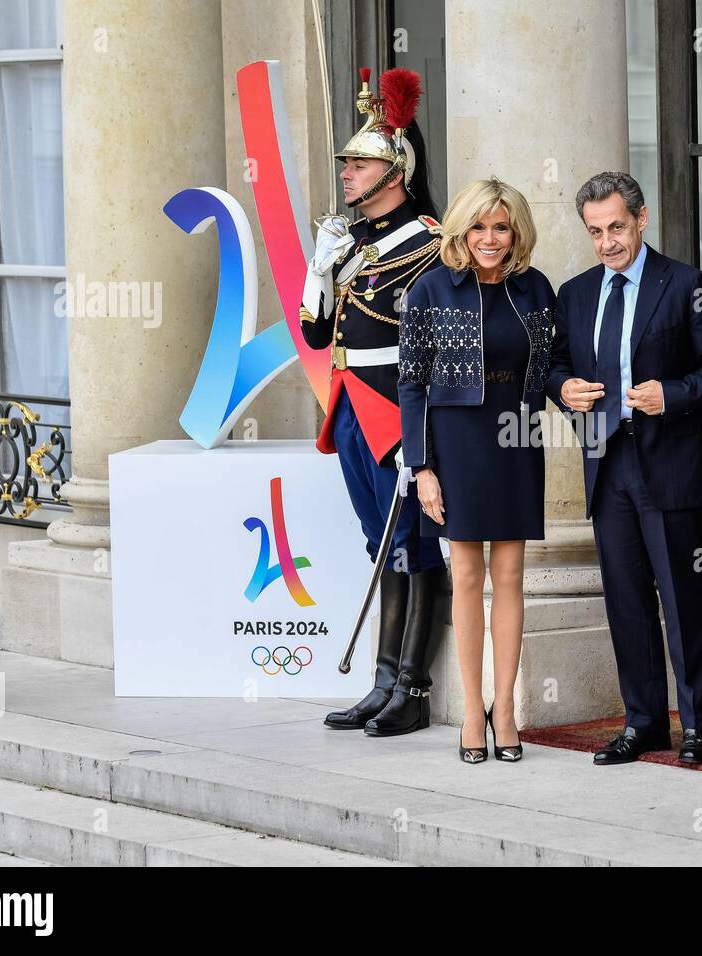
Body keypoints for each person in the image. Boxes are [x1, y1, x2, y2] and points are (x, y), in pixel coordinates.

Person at [547, 171, 702, 766]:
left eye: (617, 227)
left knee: (682, 599)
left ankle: (699, 725)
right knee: (625, 601)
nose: (607, 242)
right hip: (606, 462)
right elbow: (552, 365)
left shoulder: (686, 284)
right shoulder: (573, 294)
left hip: (671, 462)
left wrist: (671, 394)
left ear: (642, 218)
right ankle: (644, 721)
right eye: (596, 232)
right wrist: (564, 388)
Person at [299, 68, 446, 736]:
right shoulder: (350, 241)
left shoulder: (431, 243)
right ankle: (381, 681)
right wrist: (319, 270)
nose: (347, 173)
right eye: (348, 163)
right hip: (352, 401)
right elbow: (314, 333)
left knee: (415, 545)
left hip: (398, 407)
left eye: (360, 163)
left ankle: (412, 688)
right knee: (380, 545)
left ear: (396, 172)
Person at [398, 178, 555, 764]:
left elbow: (555, 366)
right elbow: (411, 384)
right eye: (480, 226)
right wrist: (421, 468)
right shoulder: (432, 289)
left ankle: (506, 710)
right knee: (466, 575)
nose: (490, 238)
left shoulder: (535, 288)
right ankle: (471, 710)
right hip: (455, 443)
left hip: (516, 436)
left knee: (510, 573)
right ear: (462, 230)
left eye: (502, 226)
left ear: (516, 232)